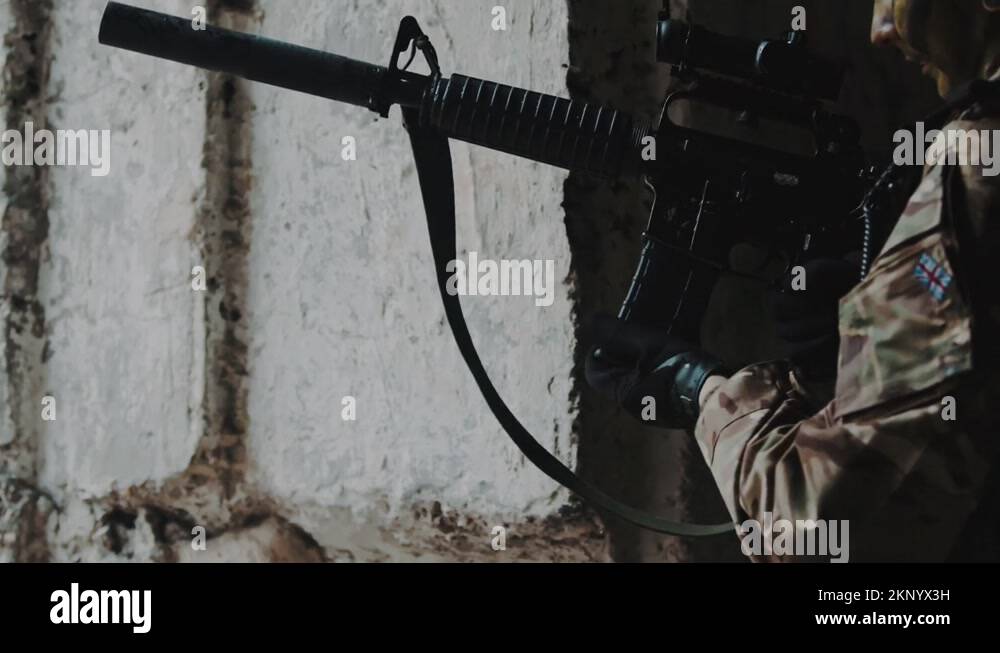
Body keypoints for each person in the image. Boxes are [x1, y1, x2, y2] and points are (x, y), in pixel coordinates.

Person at [586, 0, 1000, 561]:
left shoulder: (976, 165)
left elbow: (813, 531)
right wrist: (852, 363)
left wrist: (703, 392)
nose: (879, 31)